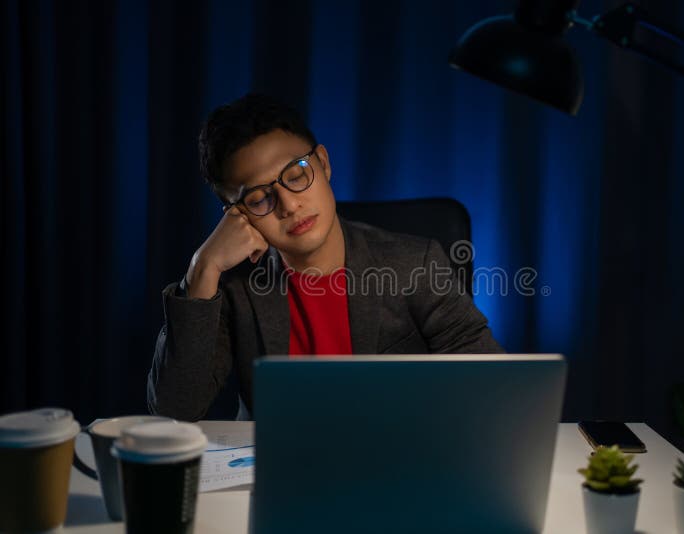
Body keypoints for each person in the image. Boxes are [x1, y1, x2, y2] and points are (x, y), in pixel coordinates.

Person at [147, 93, 503, 421]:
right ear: (234, 214)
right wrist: (202, 266)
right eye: (258, 199)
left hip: (395, 456)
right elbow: (175, 411)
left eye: (297, 174)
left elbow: (492, 384)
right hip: (278, 465)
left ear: (323, 164)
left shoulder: (414, 263)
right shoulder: (231, 284)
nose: (289, 205)